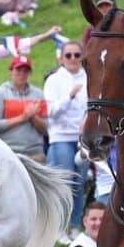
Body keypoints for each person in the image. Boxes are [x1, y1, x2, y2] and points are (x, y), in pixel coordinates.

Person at [42, 42, 89, 232]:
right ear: (61, 58)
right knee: (63, 185)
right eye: (68, 55)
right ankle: (59, 228)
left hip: (82, 137)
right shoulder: (53, 80)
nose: (73, 59)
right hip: (60, 136)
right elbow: (49, 112)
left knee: (80, 182)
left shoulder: (89, 77)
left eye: (77, 55)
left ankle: (75, 225)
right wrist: (69, 96)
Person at [0, 56, 48, 161]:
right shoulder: (0, 93)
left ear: (30, 73)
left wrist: (33, 117)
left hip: (35, 153)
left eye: (25, 71)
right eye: (18, 70)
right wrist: (23, 117)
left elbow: (46, 129)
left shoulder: (38, 94)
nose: (22, 74)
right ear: (11, 71)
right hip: (7, 153)